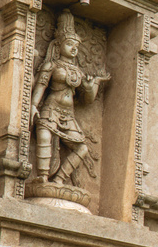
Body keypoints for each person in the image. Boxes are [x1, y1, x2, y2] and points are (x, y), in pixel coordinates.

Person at [30, 9, 109, 186]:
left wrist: (94, 82)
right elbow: (41, 86)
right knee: (44, 137)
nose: (74, 49)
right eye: (69, 44)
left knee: (82, 148)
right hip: (50, 110)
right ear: (58, 46)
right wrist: (33, 105)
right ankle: (42, 176)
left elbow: (88, 99)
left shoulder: (77, 71)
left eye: (76, 46)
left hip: (69, 114)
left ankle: (59, 179)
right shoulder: (51, 65)